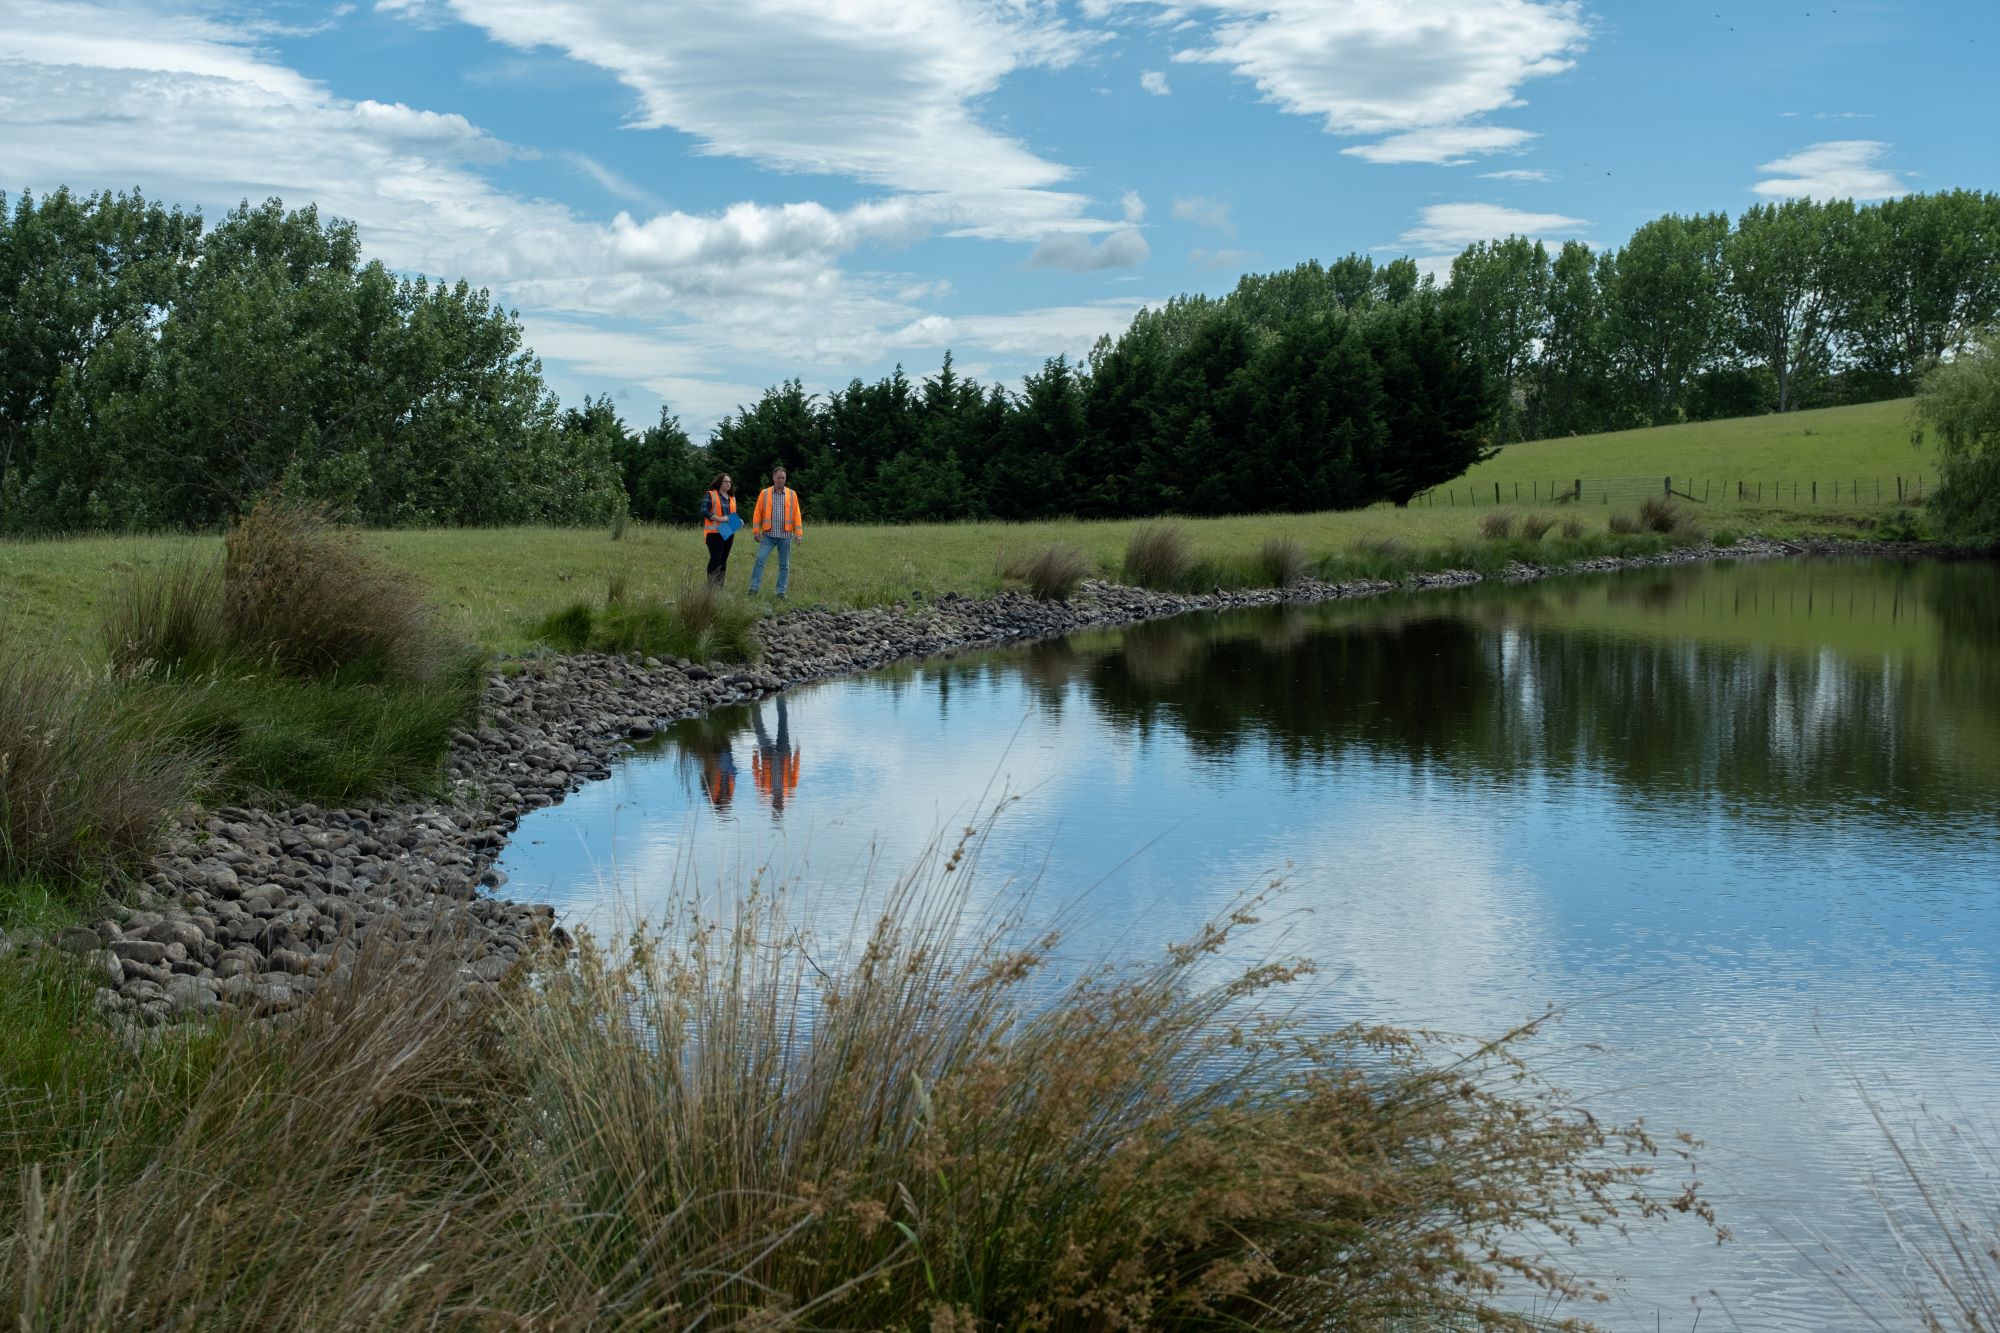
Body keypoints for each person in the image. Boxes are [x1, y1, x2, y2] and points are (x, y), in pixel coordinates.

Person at [747, 465, 804, 599]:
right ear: (773, 478)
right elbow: (757, 513)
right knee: (760, 560)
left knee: (784, 565)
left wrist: (799, 534)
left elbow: (796, 515)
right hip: (768, 535)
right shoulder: (765, 493)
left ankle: (780, 593)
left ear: (785, 479)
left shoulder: (792, 494)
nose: (780, 480)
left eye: (783, 478)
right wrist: (756, 531)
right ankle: (753, 589)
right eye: (778, 477)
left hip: (785, 536)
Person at [750, 696, 799, 819]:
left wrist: (755, 756)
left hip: (767, 755)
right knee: (783, 722)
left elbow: (756, 774)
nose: (777, 802)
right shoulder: (789, 789)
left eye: (776, 805)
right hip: (784, 752)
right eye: (779, 805)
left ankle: (754, 701)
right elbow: (795, 771)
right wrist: (797, 754)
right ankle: (780, 696)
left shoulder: (765, 792)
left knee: (758, 727)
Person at [700, 473, 739, 585]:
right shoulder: (711, 494)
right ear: (719, 482)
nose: (728, 483)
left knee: (723, 560)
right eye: (725, 481)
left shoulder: (732, 498)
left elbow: (733, 515)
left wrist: (738, 521)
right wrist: (720, 519)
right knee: (715, 559)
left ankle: (720, 586)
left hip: (728, 532)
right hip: (714, 533)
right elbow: (703, 511)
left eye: (730, 482)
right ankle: (711, 585)